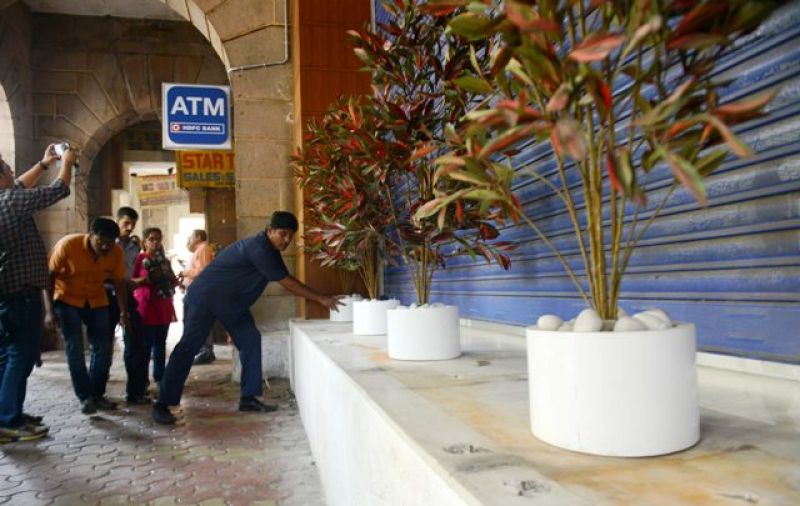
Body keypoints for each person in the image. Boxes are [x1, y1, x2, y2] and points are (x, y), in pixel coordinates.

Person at [153, 211, 342, 424]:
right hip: (204, 298)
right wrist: (321, 298)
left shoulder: (271, 251)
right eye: (282, 234)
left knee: (251, 339)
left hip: (231, 304)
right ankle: (162, 404)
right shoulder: (259, 248)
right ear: (269, 230)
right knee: (188, 347)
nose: (286, 240)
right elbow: (287, 283)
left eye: (290, 235)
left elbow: (284, 279)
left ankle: (249, 398)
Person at [0, 144, 75, 442]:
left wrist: (44, 163)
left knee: (7, 358)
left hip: (7, 296)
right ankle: (8, 419)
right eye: (6, 168)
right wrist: (66, 164)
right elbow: (59, 190)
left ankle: (10, 414)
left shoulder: (6, 201)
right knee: (21, 356)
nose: (12, 171)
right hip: (21, 295)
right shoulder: (12, 202)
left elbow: (17, 187)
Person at [47, 218, 128, 414]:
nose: (105, 246)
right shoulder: (68, 245)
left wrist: (124, 311)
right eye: (101, 241)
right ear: (90, 235)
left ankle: (97, 394)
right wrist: (49, 312)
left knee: (102, 347)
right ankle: (85, 397)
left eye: (110, 242)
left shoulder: (116, 251)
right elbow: (49, 277)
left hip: (96, 299)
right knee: (74, 347)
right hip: (67, 299)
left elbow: (119, 283)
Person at [106, 206, 149, 405]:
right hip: (106, 296)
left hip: (127, 295)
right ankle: (96, 393)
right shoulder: (107, 243)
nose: (129, 227)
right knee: (103, 346)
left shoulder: (133, 247)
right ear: (117, 221)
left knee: (136, 343)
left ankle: (136, 391)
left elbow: (127, 277)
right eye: (126, 223)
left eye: (132, 224)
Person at [131, 228, 176, 392]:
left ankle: (160, 376)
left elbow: (172, 280)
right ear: (145, 241)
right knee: (145, 345)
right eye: (151, 239)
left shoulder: (165, 261)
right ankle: (142, 380)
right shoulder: (139, 259)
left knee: (160, 344)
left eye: (158, 239)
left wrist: (170, 279)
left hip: (163, 305)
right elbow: (130, 280)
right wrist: (146, 279)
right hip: (146, 306)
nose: (155, 242)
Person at [177, 229, 215, 364]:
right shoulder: (198, 250)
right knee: (193, 321)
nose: (189, 239)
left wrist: (185, 273)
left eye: (191, 236)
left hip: (199, 293)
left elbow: (203, 271)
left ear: (198, 237)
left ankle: (205, 351)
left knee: (199, 321)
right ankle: (202, 350)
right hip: (194, 291)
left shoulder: (204, 248)